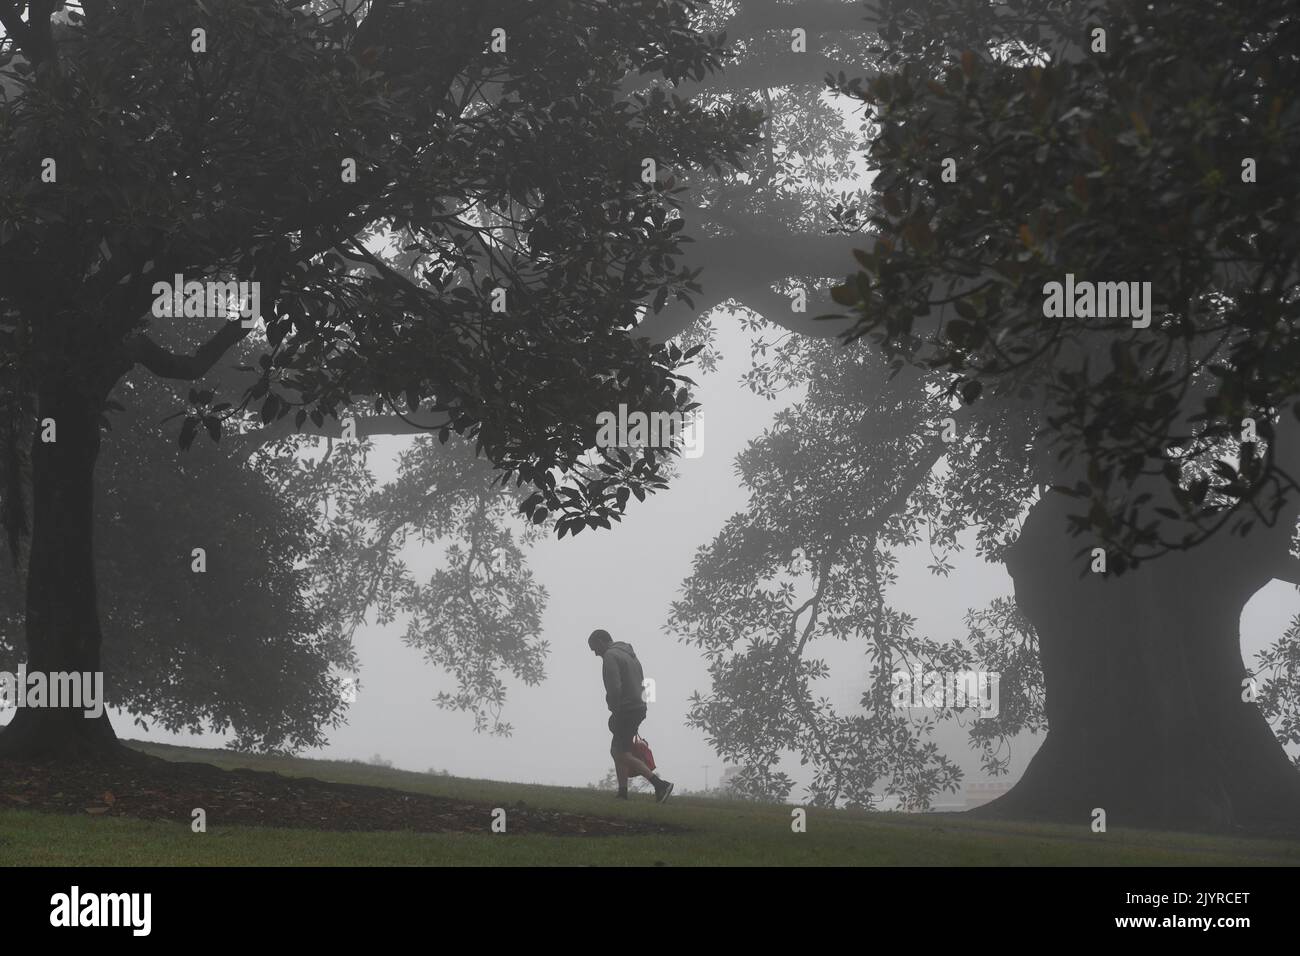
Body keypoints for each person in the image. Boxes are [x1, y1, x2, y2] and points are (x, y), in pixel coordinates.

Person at [588, 628, 673, 802]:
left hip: (625, 708)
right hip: (638, 707)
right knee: (617, 749)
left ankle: (660, 785)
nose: (595, 653)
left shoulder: (610, 656)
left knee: (621, 753)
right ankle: (622, 792)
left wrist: (614, 707)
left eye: (594, 648)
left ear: (601, 641)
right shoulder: (630, 655)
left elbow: (614, 688)